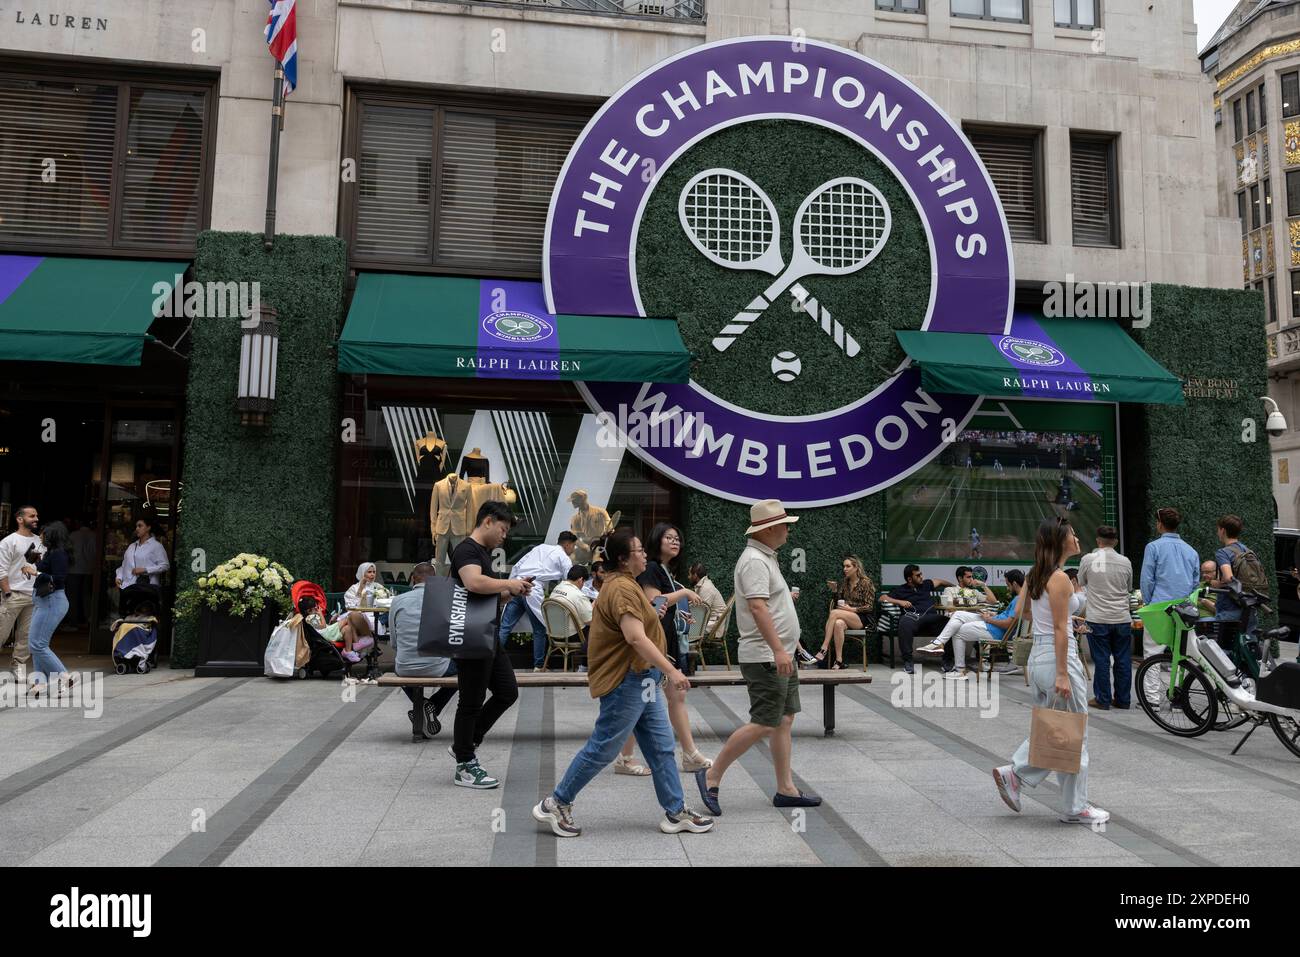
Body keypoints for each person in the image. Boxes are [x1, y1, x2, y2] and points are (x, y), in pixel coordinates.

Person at [532, 528, 714, 837]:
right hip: (627, 681)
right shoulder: (621, 589)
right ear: (623, 560)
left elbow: (638, 629)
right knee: (604, 748)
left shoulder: (628, 585)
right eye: (639, 551)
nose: (644, 555)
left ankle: (675, 811)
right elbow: (634, 636)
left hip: (643, 679)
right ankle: (556, 803)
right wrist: (672, 671)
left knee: (661, 748)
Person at [694, 499, 821, 817]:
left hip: (779, 654)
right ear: (768, 529)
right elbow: (758, 607)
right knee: (765, 722)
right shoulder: (753, 561)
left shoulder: (766, 558)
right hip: (766, 656)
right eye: (784, 524)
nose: (788, 529)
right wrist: (779, 649)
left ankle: (785, 789)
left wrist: (785, 650)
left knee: (784, 719)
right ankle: (711, 774)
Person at [993, 517, 1109, 827]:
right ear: (1061, 541)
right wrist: (1062, 672)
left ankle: (1022, 777)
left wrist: (1065, 616)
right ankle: (1029, 781)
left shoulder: (1035, 575)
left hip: (1040, 656)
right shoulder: (1058, 578)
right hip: (1059, 658)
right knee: (1072, 733)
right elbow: (1058, 627)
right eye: (1072, 533)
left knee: (1056, 730)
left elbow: (1025, 613)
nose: (1077, 537)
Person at [448, 500, 531, 790]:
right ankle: (465, 764)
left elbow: (486, 595)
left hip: (486, 633)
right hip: (472, 636)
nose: (504, 535)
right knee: (470, 701)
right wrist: (508, 583)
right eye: (503, 528)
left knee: (507, 691)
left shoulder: (481, 553)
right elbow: (473, 583)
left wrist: (512, 592)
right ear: (487, 521)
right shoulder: (467, 550)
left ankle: (465, 743)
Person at [637, 522, 712, 771]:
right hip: (656, 645)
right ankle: (626, 757)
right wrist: (684, 594)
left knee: (670, 696)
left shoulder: (663, 569)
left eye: (677, 538)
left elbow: (662, 608)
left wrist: (680, 615)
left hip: (665, 643)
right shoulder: (651, 569)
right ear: (657, 540)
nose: (675, 541)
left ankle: (689, 753)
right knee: (639, 703)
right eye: (669, 538)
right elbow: (654, 602)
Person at [389, 562, 457, 741]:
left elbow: (394, 643)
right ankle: (433, 704)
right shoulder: (447, 600)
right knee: (465, 671)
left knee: (399, 666)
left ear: (413, 579)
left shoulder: (397, 601)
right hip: (438, 667)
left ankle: (422, 706)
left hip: (404, 667)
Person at [920, 570, 1024, 679]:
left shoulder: (1019, 600)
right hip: (992, 623)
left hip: (994, 630)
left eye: (1007, 585)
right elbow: (1007, 618)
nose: (1007, 588)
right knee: (958, 614)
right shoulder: (1020, 598)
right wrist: (992, 616)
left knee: (958, 631)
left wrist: (989, 620)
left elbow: (1007, 624)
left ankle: (959, 669)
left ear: (1015, 584)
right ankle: (939, 643)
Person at [498, 531, 577, 670]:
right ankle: (538, 665)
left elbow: (517, 565)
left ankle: (491, 659)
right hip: (532, 589)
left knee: (505, 627)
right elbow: (570, 578)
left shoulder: (539, 547)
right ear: (567, 544)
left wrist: (512, 585)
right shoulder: (563, 557)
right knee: (539, 629)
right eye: (573, 546)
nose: (573, 549)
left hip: (518, 584)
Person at [1077, 525, 1133, 711]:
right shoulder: (1125, 561)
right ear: (1115, 541)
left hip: (1098, 617)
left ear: (1098, 540)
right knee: (1123, 660)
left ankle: (1103, 699)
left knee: (1101, 660)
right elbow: (1129, 586)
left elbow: (1081, 581)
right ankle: (1123, 699)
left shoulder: (1089, 559)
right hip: (1122, 617)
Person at [1139, 507, 1200, 657]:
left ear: (1160, 524)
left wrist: (1149, 603)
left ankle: (1151, 682)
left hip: (1159, 606)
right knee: (1182, 652)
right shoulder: (1191, 551)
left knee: (1152, 652)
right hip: (1184, 608)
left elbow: (1147, 580)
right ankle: (1182, 681)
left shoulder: (1153, 547)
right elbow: (1195, 583)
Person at [25, 522, 73, 697]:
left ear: (51, 536)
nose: (40, 536)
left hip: (52, 601)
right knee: (36, 643)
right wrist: (34, 564)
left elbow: (59, 579)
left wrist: (35, 572)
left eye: (43, 534)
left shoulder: (59, 554)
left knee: (37, 644)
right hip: (43, 601)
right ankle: (40, 683)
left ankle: (64, 675)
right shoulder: (51, 553)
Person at [881, 564, 954, 675]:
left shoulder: (926, 584)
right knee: (904, 622)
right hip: (913, 617)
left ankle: (948, 660)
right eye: (918, 575)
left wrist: (955, 588)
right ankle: (908, 661)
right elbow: (883, 598)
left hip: (932, 618)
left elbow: (940, 581)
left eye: (921, 574)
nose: (921, 577)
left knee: (949, 623)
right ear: (910, 579)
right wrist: (900, 602)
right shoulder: (900, 590)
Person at [0, 506, 43, 676]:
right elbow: (1, 569)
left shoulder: (40, 540)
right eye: (32, 516)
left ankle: (18, 666)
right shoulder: (9, 541)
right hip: (13, 594)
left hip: (34, 595)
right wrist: (7, 592)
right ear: (20, 519)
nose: (36, 519)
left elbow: (42, 566)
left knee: (26, 636)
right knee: (2, 632)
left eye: (37, 515)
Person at [811, 556, 875, 669]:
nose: (844, 569)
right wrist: (835, 590)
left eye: (848, 566)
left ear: (856, 568)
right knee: (838, 623)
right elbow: (838, 602)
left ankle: (824, 647)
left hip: (861, 618)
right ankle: (839, 661)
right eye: (844, 566)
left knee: (834, 613)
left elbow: (869, 607)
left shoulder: (866, 582)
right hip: (846, 616)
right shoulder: (845, 582)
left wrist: (852, 609)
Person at [1214, 514, 1262, 642]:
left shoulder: (1223, 552)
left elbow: (1229, 577)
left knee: (1225, 652)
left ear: (1223, 530)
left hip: (1229, 607)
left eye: (1218, 529)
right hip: (1249, 606)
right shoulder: (1248, 551)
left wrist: (1216, 584)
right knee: (1249, 647)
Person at [115, 519, 169, 591]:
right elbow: (124, 565)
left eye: (140, 526)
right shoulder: (132, 546)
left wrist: (145, 570)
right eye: (136, 526)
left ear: (148, 528)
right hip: (127, 587)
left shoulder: (156, 546)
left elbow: (165, 566)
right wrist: (119, 577)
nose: (137, 528)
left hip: (147, 588)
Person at [345, 562, 390, 637]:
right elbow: (351, 607)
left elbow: (388, 600)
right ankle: (371, 640)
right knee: (358, 618)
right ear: (362, 573)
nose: (372, 574)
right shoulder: (354, 588)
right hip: (361, 616)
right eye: (369, 572)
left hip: (378, 615)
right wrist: (360, 589)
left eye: (374, 572)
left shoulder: (378, 586)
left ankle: (371, 640)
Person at [67, 517, 96, 628]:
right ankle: (88, 619)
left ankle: (73, 621)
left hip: (74, 569)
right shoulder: (94, 535)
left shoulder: (73, 535)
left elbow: (68, 551)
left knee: (73, 596)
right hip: (89, 569)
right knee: (87, 595)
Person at [687, 562, 727, 633]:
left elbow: (700, 613)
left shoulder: (705, 588)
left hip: (715, 625)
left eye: (689, 574)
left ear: (695, 575)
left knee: (684, 627)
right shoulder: (703, 585)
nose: (688, 577)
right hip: (712, 621)